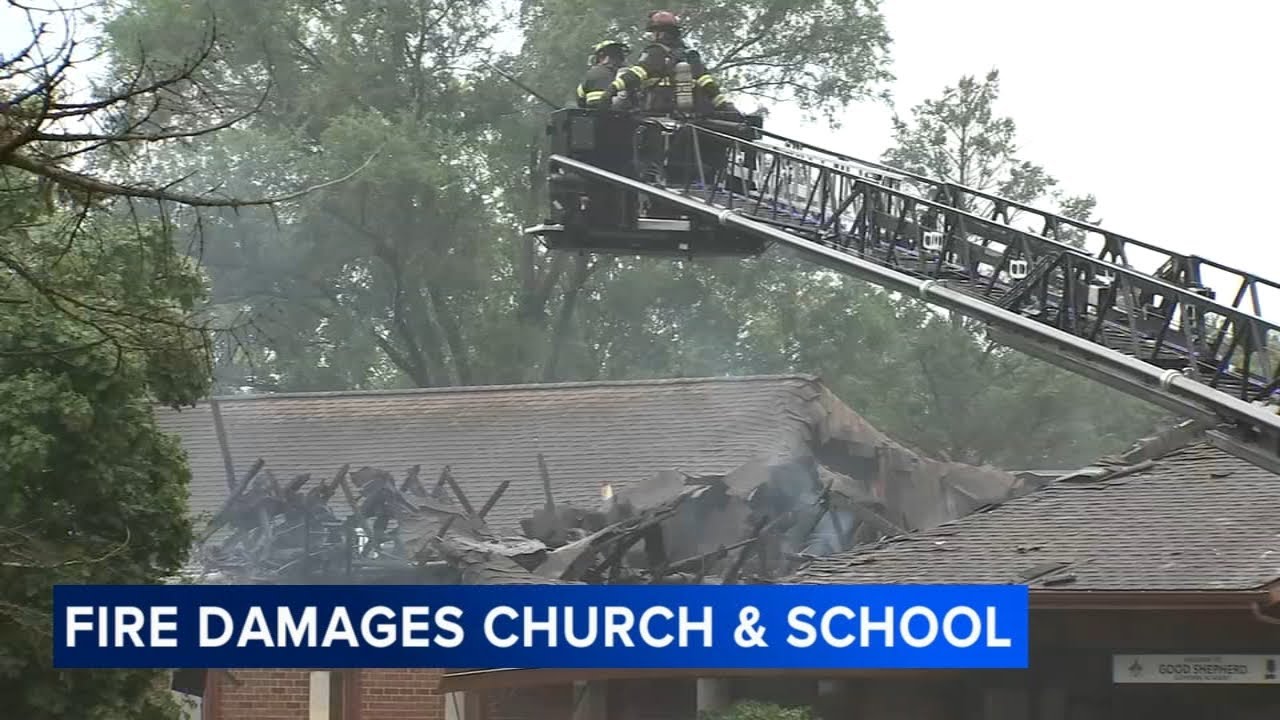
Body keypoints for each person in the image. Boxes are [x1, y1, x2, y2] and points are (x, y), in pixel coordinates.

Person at [606, 10, 735, 115]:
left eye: (653, 32)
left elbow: (637, 73)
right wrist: (723, 105)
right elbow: (707, 82)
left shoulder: (655, 52)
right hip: (693, 114)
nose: (651, 36)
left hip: (658, 111)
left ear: (660, 33)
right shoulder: (690, 54)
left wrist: (611, 90)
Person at [576, 40, 630, 109]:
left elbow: (580, 98)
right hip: (617, 116)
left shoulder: (589, 74)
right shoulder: (623, 74)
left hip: (592, 115)